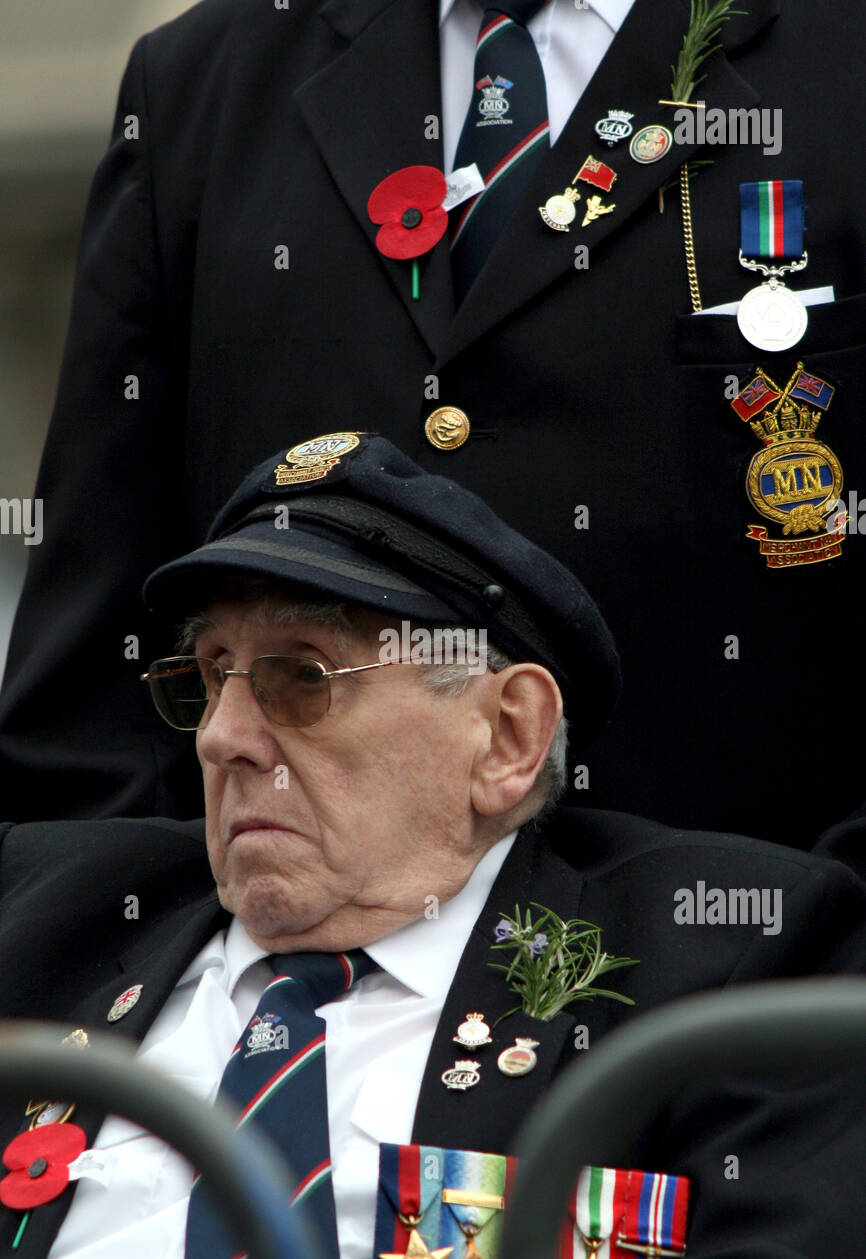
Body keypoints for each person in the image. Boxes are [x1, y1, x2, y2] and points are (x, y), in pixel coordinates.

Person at [0, 0, 863, 875]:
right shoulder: (201, 83)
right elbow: (90, 703)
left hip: (751, 970)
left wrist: (806, 970)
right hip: (296, 977)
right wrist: (157, 972)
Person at [0, 432, 864, 1259]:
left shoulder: (733, 952)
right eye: (210, 674)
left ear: (505, 738)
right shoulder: (43, 907)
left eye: (301, 677)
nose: (221, 736)